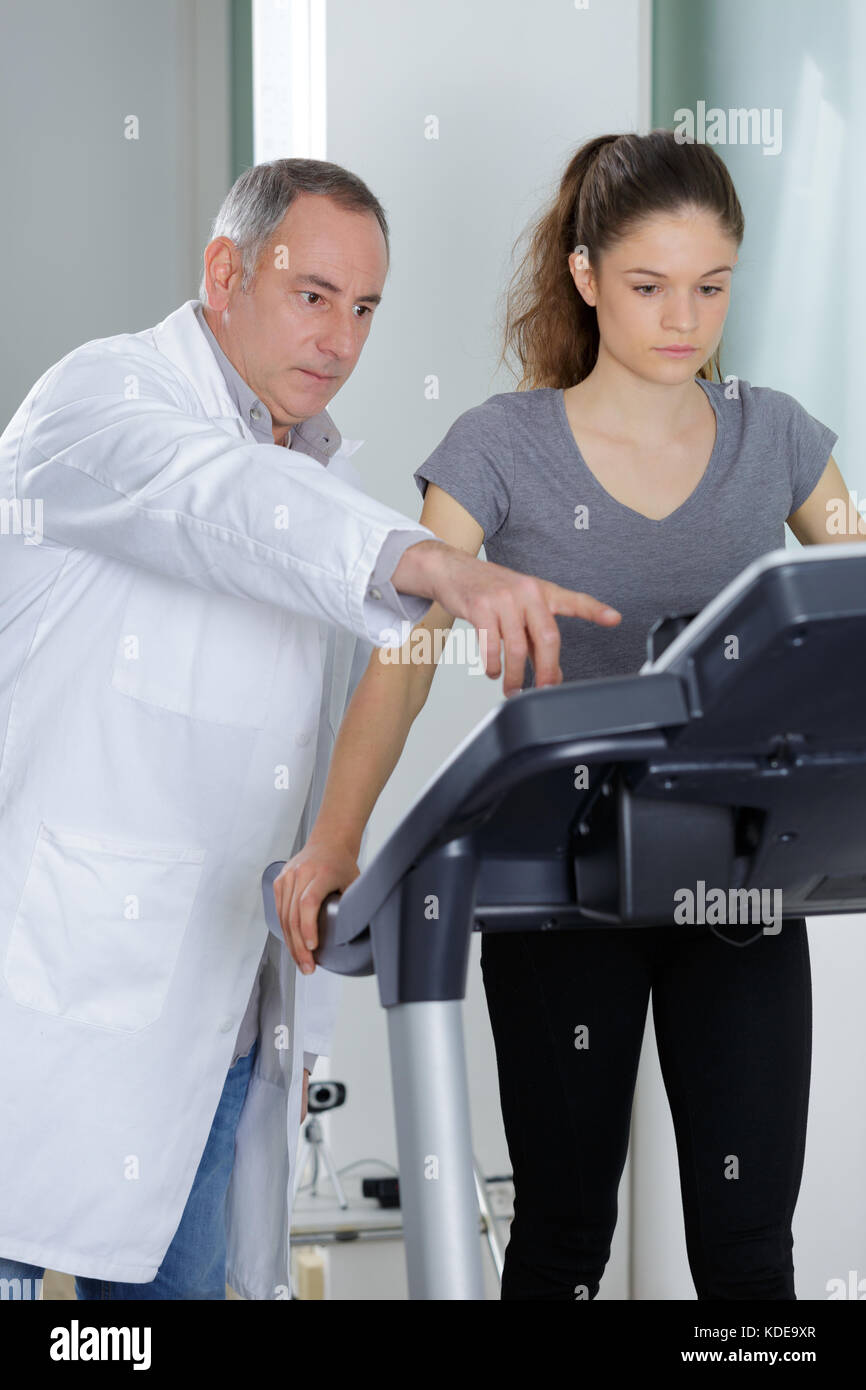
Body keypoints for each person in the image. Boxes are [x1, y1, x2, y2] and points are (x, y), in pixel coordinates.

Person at [0, 158, 622, 1301]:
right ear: (226, 271)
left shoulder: (306, 462)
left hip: (218, 1020)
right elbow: (215, 501)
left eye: (366, 307)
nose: (340, 337)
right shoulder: (100, 401)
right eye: (312, 295)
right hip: (56, 1000)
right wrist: (434, 562)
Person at [275, 130, 863, 1300]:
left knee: (750, 1256)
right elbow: (402, 653)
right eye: (648, 287)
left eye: (710, 286)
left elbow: (849, 612)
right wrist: (336, 839)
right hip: (553, 884)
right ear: (587, 276)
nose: (681, 318)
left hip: (738, 879)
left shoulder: (777, 438)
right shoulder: (500, 448)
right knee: (560, 1237)